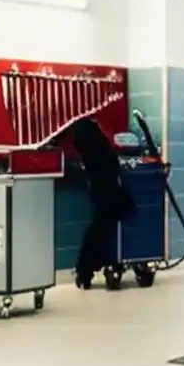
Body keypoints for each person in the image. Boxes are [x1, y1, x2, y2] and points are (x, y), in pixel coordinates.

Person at [69, 117, 134, 289]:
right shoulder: (105, 153)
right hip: (111, 195)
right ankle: (99, 264)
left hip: (100, 195)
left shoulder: (89, 154)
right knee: (108, 227)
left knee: (99, 228)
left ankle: (85, 270)